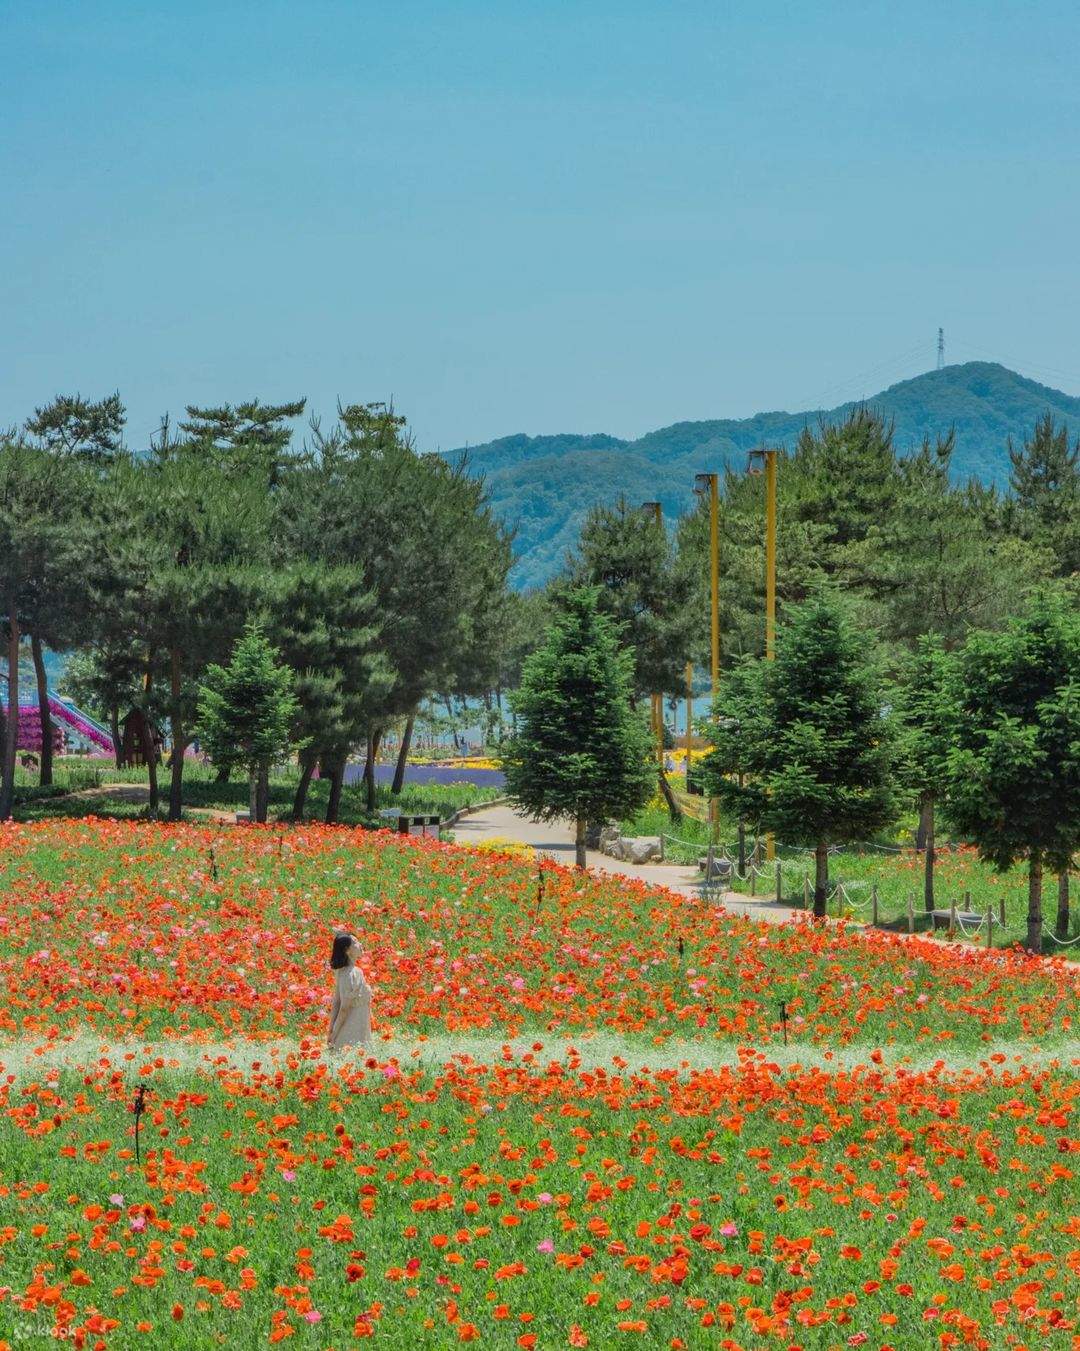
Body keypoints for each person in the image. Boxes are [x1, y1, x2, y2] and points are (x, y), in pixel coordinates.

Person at [327, 931, 373, 1052]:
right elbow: (343, 1007)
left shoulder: (341, 972)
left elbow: (336, 1002)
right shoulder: (354, 973)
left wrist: (331, 1030)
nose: (360, 944)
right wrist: (333, 1034)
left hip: (349, 1027)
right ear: (347, 950)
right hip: (353, 1030)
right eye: (356, 942)